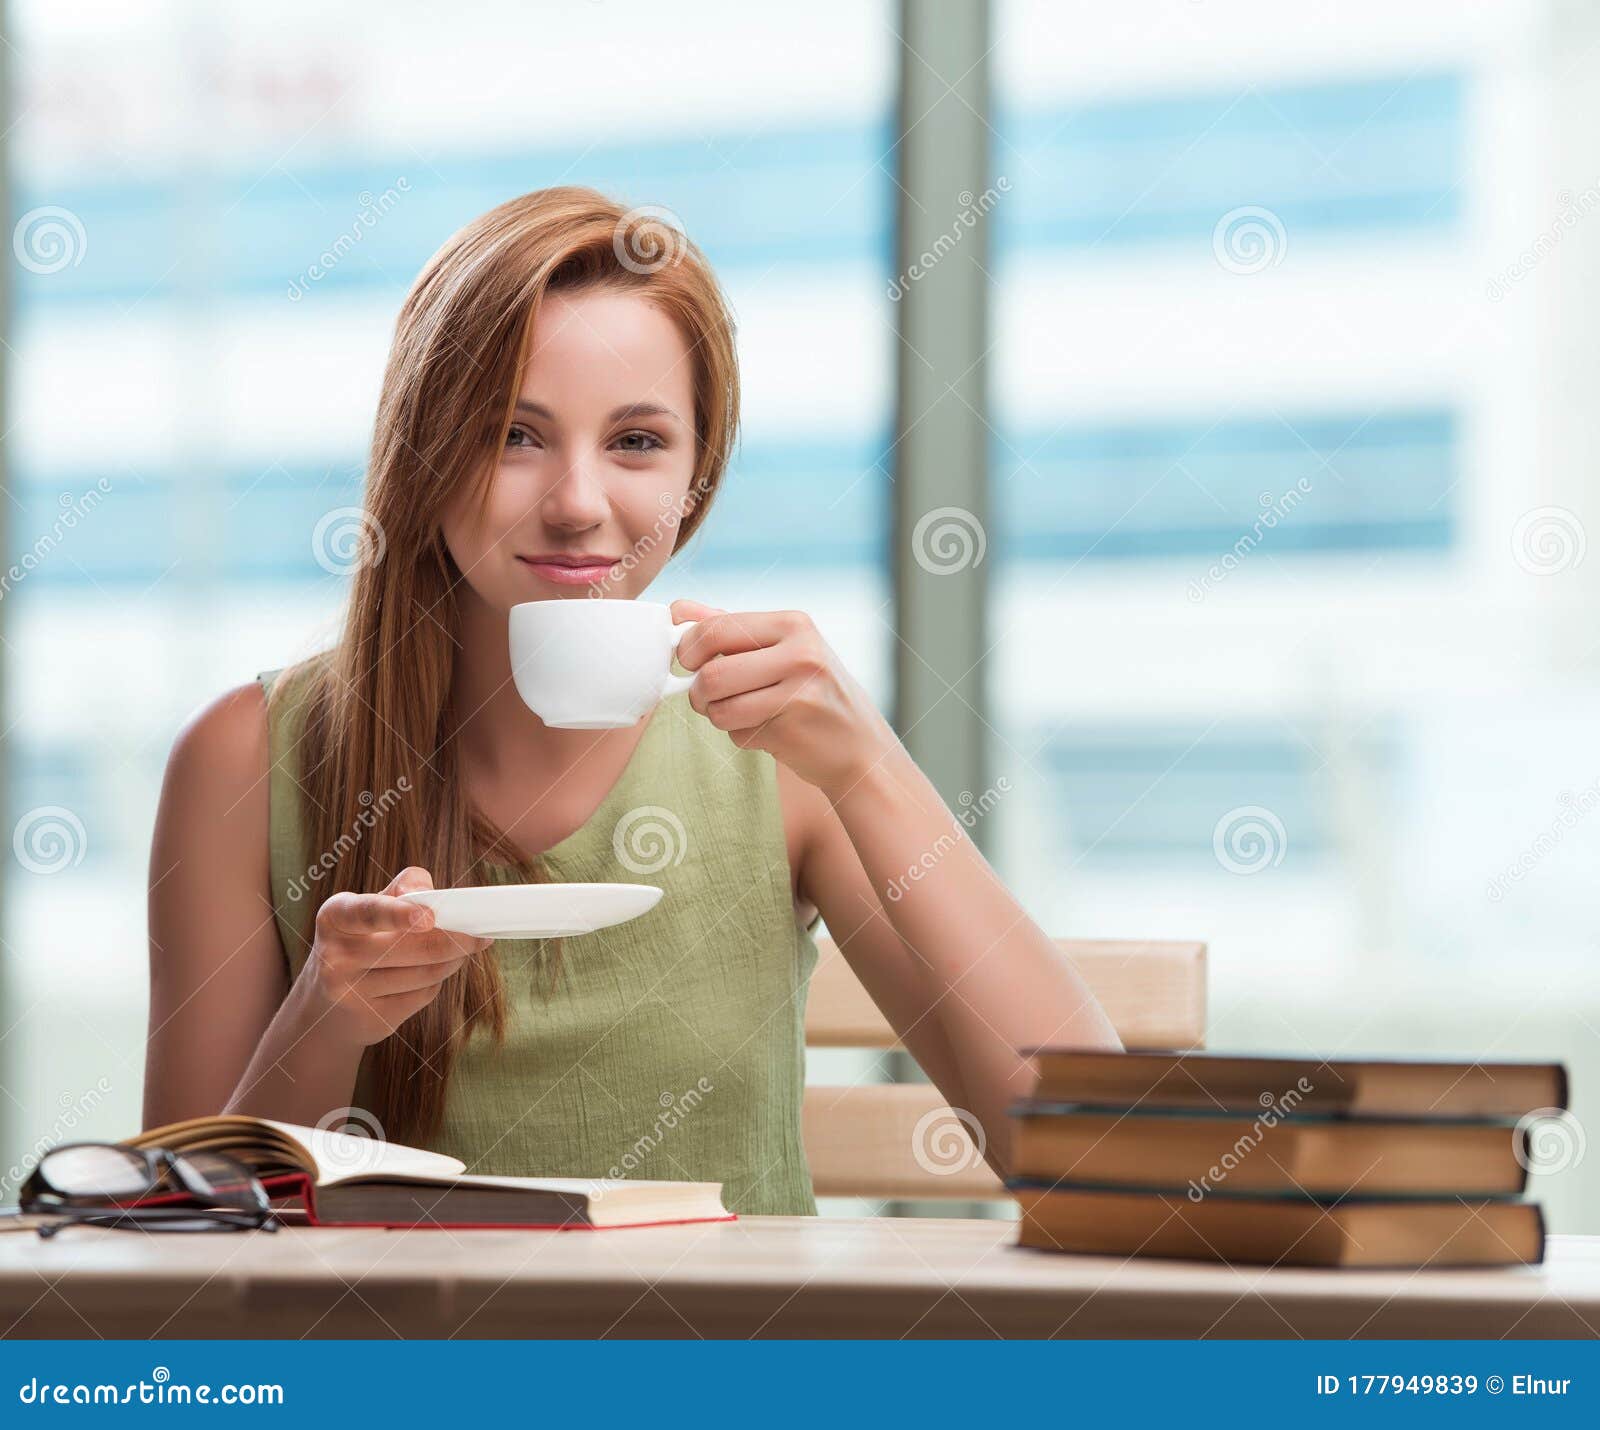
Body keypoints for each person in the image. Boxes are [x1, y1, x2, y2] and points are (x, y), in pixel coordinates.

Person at [143, 186, 1121, 1215]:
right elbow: (175, 1239)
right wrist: (325, 1017)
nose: (576, 504)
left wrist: (870, 767)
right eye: (514, 435)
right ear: (423, 453)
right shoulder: (244, 759)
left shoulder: (781, 752)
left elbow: (1089, 1155)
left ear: (697, 476)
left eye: (638, 441)